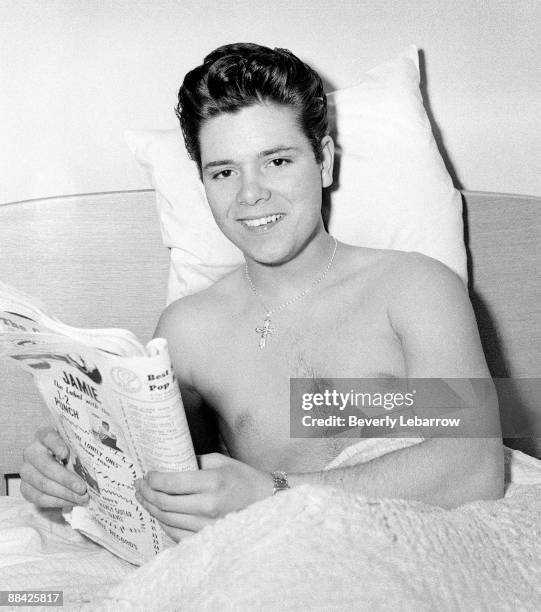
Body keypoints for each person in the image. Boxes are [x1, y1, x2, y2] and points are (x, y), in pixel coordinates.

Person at [20, 43, 503, 542]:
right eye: (224, 171)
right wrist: (74, 468)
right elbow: (157, 484)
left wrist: (273, 494)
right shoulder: (188, 331)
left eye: (276, 161)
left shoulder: (415, 288)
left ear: (324, 163)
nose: (250, 193)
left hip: (418, 544)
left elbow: (474, 467)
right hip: (275, 559)